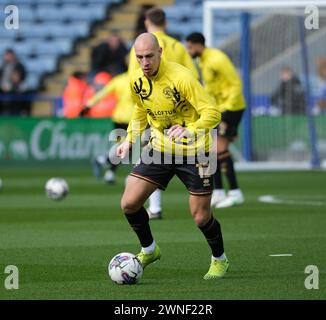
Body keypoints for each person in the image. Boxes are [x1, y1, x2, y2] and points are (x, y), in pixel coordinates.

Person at [116, 33, 229, 279]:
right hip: (161, 148)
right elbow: (139, 110)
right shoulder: (136, 79)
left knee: (200, 217)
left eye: (148, 56)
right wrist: (129, 140)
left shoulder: (182, 77)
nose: (144, 62)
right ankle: (149, 249)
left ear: (160, 53)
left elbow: (213, 112)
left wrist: (190, 129)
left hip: (197, 150)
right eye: (139, 57)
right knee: (129, 203)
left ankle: (219, 258)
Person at [129, 6, 199, 220]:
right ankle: (205, 196)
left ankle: (156, 206)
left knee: (150, 152)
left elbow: (135, 76)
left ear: (146, 23)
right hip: (183, 115)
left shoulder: (140, 47)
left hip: (155, 107)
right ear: (165, 24)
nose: (145, 61)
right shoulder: (178, 45)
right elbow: (194, 77)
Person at [186, 32, 246, 209]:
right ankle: (219, 191)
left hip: (231, 108)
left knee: (219, 148)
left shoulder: (217, 58)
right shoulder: (203, 60)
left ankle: (235, 192)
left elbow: (235, 83)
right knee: (212, 151)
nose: (188, 50)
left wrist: (228, 108)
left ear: (198, 45)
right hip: (218, 109)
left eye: (189, 47)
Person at [81, 71, 134, 182]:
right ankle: (102, 161)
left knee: (123, 148)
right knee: (127, 149)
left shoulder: (118, 79)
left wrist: (88, 105)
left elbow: (103, 92)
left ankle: (110, 173)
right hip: (132, 119)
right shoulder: (140, 79)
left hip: (118, 118)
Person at [0, 48, 27, 115]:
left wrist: (11, 85)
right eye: (6, 55)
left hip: (15, 88)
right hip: (3, 88)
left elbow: (19, 78)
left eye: (8, 55)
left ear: (12, 56)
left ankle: (15, 113)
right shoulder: (4, 65)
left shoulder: (18, 65)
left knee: (15, 94)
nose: (6, 57)